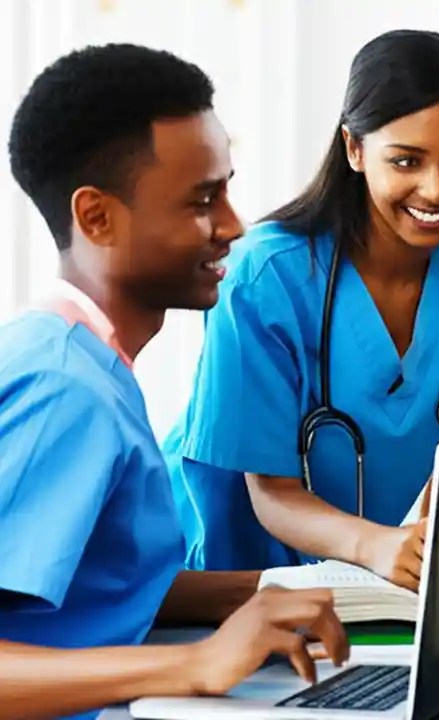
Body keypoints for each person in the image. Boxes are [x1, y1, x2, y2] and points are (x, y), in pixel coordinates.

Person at [0, 43, 348, 720]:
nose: (234, 225)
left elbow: (100, 589)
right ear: (97, 216)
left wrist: (283, 591)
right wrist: (198, 662)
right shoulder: (60, 390)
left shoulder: (87, 363)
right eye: (203, 200)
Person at [162, 29, 439, 587]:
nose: (437, 190)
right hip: (237, 581)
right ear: (355, 149)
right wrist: (378, 547)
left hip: (373, 587)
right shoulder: (265, 275)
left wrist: (431, 565)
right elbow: (271, 494)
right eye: (407, 161)